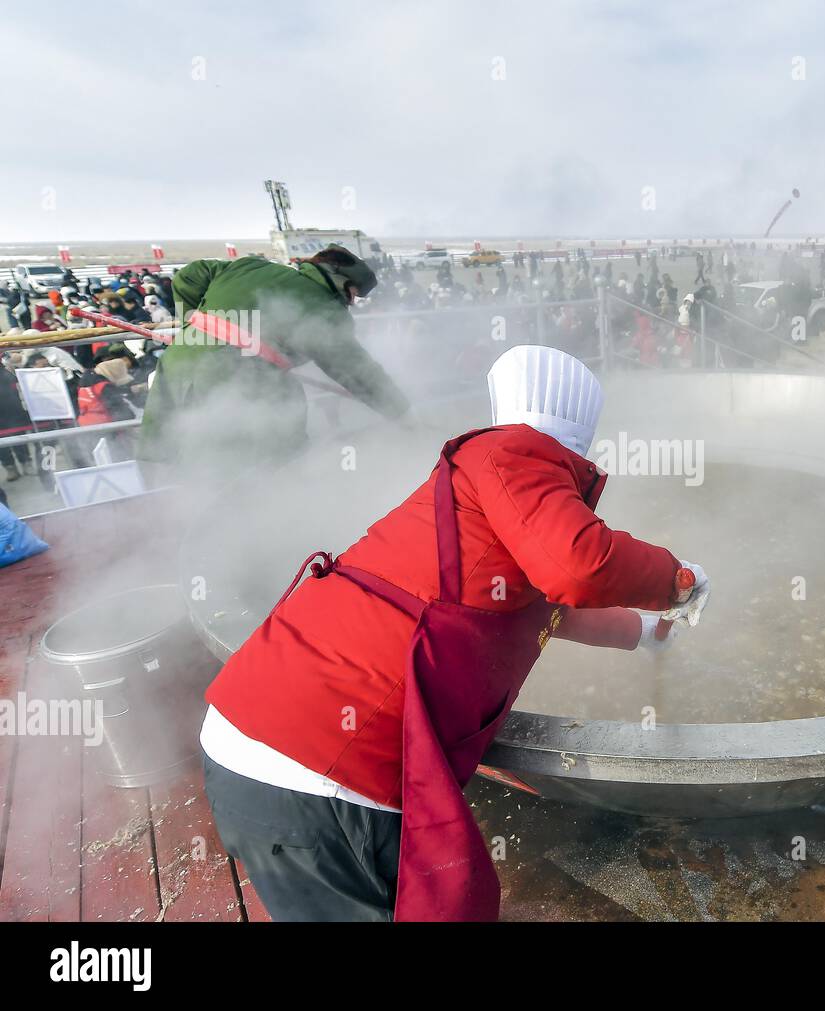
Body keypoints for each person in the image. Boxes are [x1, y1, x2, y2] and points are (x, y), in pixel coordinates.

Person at [200, 345, 711, 921]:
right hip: (316, 772)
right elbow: (578, 568)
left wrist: (642, 632)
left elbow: (542, 603)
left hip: (276, 751)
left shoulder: (482, 499)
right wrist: (680, 581)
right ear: (577, 433)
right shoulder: (513, 453)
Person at [137, 245, 410, 475]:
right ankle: (273, 506)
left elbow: (188, 276)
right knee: (279, 446)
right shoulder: (325, 308)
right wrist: (400, 411)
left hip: (179, 358)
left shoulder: (251, 266)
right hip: (236, 374)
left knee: (168, 442)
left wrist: (196, 325)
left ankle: (167, 507)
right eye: (354, 294)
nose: (352, 303)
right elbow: (356, 371)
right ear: (340, 280)